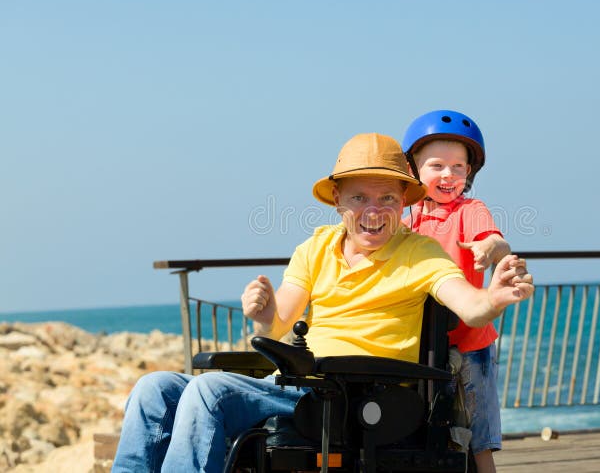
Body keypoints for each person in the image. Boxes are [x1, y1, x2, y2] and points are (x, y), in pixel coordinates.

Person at [112, 132, 533, 473]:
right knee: (155, 389)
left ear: (403, 202)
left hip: (353, 395)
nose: (374, 210)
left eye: (387, 198)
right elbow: (277, 326)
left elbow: (470, 306)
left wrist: (493, 299)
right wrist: (264, 315)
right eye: (359, 198)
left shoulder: (421, 253)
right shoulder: (314, 248)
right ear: (338, 201)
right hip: (299, 387)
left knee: (209, 391)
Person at [402, 109, 510, 473]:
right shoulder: (406, 217)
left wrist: (489, 250)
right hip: (419, 341)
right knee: (420, 427)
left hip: (470, 340)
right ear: (414, 169)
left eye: (458, 167)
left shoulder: (470, 210)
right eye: (436, 166)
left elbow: (495, 240)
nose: (448, 175)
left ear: (469, 173)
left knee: (478, 436)